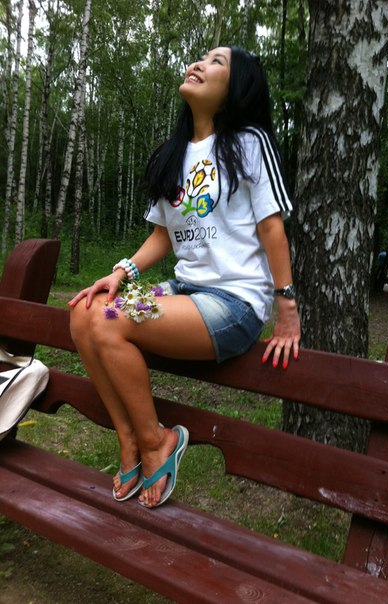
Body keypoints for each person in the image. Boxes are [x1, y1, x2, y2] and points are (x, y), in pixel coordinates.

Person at [68, 46, 301, 509]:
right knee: (84, 313)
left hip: (233, 303)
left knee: (111, 322)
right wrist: (121, 272)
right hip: (184, 292)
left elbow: (272, 228)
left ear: (237, 87)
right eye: (201, 58)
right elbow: (163, 235)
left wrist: (287, 310)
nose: (199, 64)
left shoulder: (250, 143)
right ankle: (130, 440)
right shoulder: (174, 154)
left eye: (217, 62)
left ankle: (159, 441)